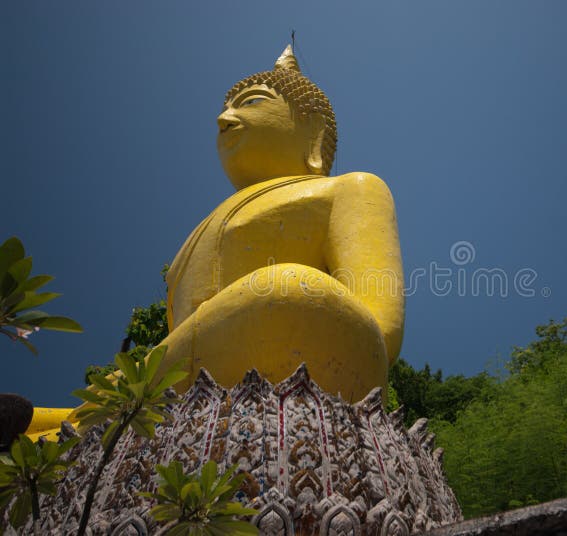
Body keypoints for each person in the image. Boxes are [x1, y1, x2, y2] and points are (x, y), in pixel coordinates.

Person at [28, 45, 404, 439]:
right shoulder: (199, 233)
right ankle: (91, 415)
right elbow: (195, 335)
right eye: (226, 108)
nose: (224, 119)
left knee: (293, 289)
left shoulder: (351, 189)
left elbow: (379, 329)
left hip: (305, 337)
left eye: (251, 103)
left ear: (312, 128)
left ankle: (98, 412)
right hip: (196, 377)